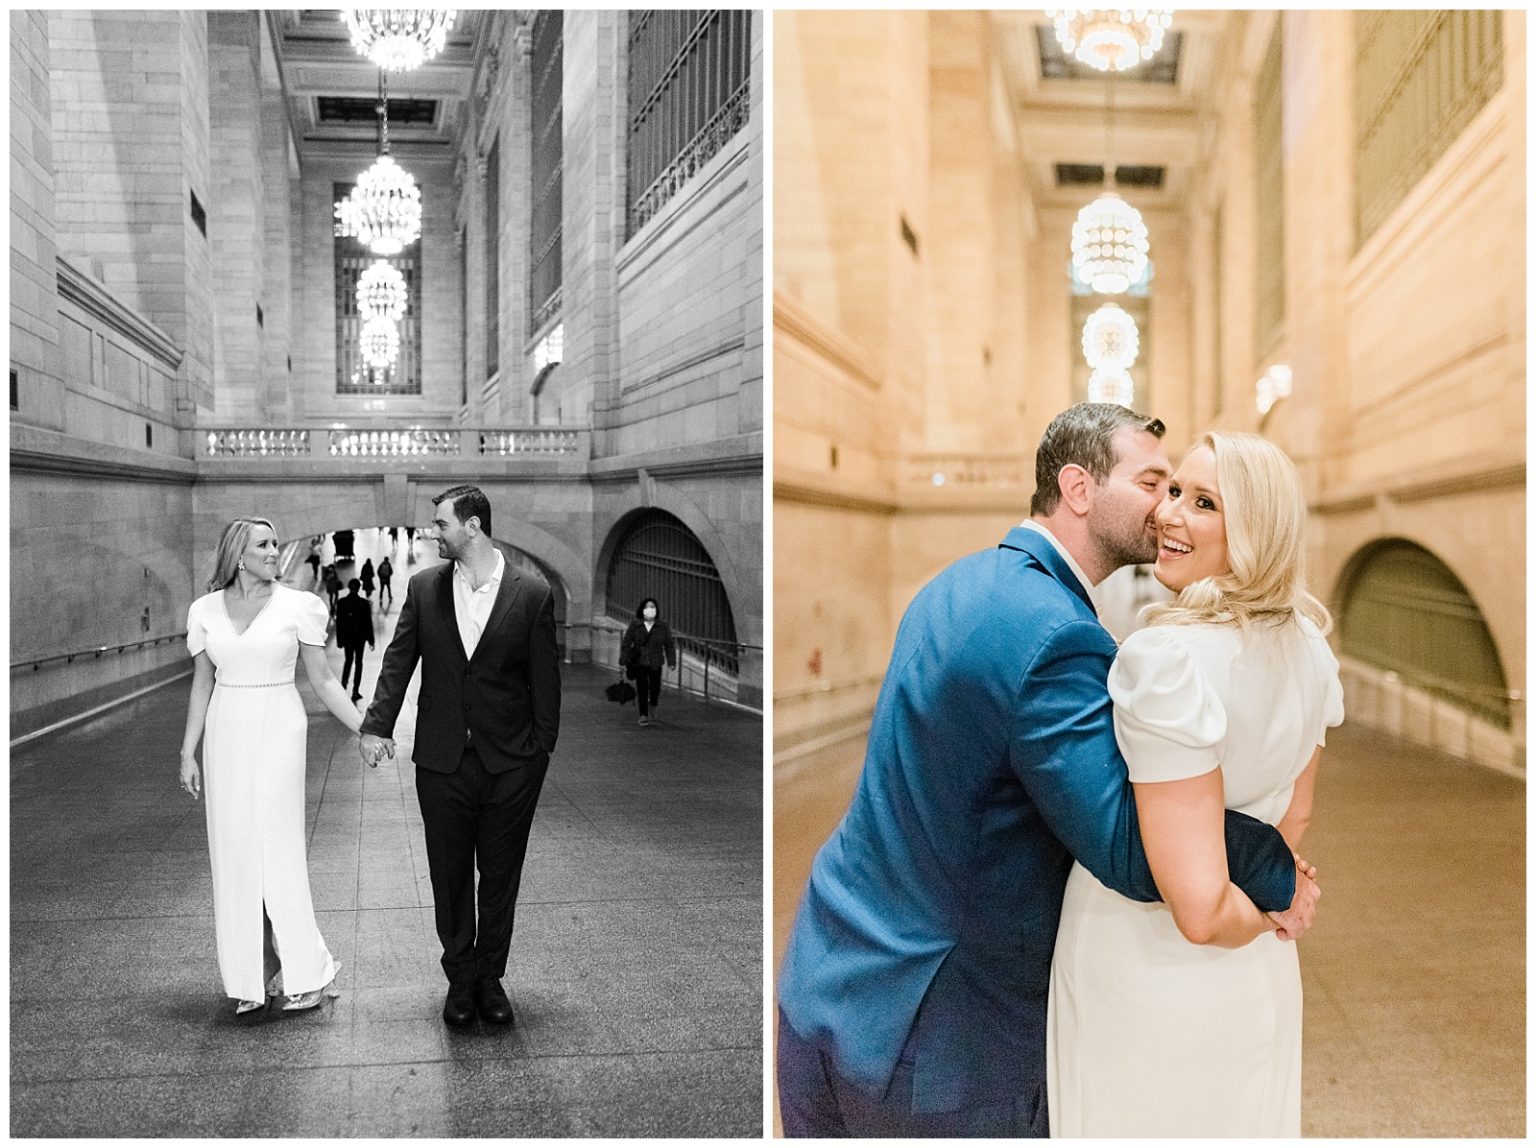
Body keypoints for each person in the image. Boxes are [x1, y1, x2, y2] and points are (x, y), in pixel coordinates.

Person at [775, 404, 1318, 1137]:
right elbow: (1128, 842)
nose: (1165, 509)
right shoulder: (1058, 634)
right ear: (1078, 489)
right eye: (1154, 483)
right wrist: (1275, 866)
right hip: (936, 1036)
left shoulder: (960, 582)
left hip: (829, 975)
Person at [1045, 432, 1343, 1136]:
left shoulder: (1166, 659)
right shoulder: (1311, 648)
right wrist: (1277, 901)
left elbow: (1202, 912)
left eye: (1204, 502)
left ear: (1255, 530)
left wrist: (1275, 910)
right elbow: (1293, 818)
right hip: (1259, 975)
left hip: (1143, 970)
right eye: (1174, 490)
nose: (1169, 513)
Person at [359, 485, 562, 1027]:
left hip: (511, 764)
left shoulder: (532, 594)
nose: (434, 533)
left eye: (442, 524)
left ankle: (490, 977)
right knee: (449, 876)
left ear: (472, 527)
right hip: (441, 760)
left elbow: (546, 683)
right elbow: (399, 660)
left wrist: (539, 753)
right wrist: (376, 725)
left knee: (499, 876)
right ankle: (460, 978)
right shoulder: (424, 588)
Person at [179, 517, 361, 1014]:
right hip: (225, 729)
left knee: (278, 851)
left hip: (280, 725)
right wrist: (188, 751)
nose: (274, 551)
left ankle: (309, 971)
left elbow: (323, 681)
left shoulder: (299, 605)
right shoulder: (204, 610)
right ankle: (254, 973)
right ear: (238, 554)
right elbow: (202, 682)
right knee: (234, 854)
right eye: (264, 544)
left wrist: (365, 729)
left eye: (276, 543)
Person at [620, 597, 676, 728]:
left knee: (655, 688)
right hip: (640, 661)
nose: (650, 609)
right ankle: (643, 715)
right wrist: (623, 659)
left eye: (652, 607)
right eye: (647, 607)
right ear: (642, 609)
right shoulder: (636, 624)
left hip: (656, 661)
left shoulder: (663, 626)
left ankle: (653, 703)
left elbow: (669, 645)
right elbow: (627, 642)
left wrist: (672, 662)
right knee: (642, 688)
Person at [334, 577, 375, 703]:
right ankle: (355, 690)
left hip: (347, 638)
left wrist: (339, 640)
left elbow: (339, 623)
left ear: (349, 588)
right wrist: (371, 639)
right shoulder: (364, 603)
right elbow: (368, 622)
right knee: (358, 663)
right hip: (359, 638)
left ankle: (343, 684)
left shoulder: (341, 603)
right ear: (359, 588)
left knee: (348, 661)